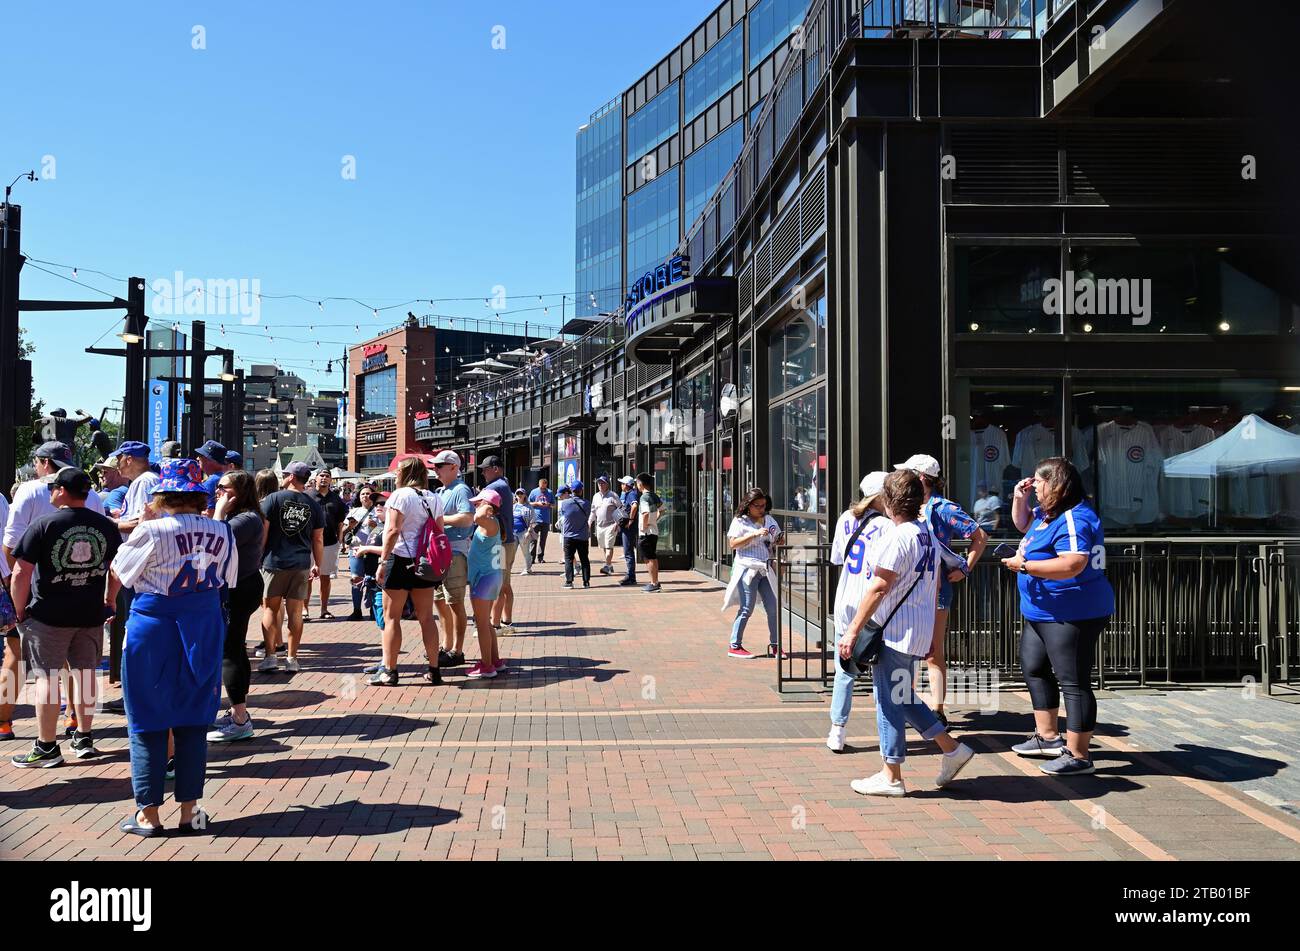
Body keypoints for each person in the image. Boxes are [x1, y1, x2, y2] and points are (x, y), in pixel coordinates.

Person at [109, 459, 238, 836]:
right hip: (203, 619)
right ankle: (190, 811)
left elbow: (121, 572)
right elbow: (226, 578)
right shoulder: (221, 530)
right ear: (198, 495)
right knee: (195, 718)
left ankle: (148, 814)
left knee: (148, 716)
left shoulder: (151, 530)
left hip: (155, 622)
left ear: (162, 495)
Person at [839, 469, 975, 796]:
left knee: (888, 700)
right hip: (913, 629)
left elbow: (878, 588)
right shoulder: (925, 532)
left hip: (893, 632)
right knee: (901, 695)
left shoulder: (901, 537)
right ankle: (952, 749)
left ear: (889, 500)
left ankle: (892, 775)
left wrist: (852, 630)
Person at [1000, 457, 1115, 776]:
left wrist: (1024, 566)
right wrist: (1018, 499)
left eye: (1037, 482)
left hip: (1073, 612)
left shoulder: (1075, 519)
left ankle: (1078, 755)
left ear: (1056, 485)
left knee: (1073, 680)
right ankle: (1047, 737)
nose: (1032, 486)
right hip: (1042, 611)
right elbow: (1023, 525)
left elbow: (1072, 564)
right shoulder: (1046, 515)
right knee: (1035, 666)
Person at [8, 468, 120, 767]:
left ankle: (46, 746)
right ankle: (83, 736)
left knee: (47, 678)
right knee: (84, 675)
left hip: (48, 614)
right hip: (90, 612)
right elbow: (116, 567)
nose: (50, 492)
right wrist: (110, 599)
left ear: (60, 490)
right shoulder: (104, 524)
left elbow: (21, 572)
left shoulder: (43, 524)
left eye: (52, 488)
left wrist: (19, 608)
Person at [894, 453, 988, 728]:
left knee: (932, 651)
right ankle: (906, 704)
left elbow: (979, 536)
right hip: (907, 589)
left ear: (922, 478)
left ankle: (937, 709)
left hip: (935, 590)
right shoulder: (904, 507)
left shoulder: (943, 508)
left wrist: (965, 568)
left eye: (909, 473)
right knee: (905, 649)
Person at [826, 472, 891, 752]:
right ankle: (886, 731)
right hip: (872, 605)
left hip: (846, 600)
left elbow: (837, 558)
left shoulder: (845, 518)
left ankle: (836, 730)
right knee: (881, 673)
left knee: (845, 670)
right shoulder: (889, 526)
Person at [371, 456, 445, 686]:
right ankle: (434, 669)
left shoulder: (400, 495)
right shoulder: (434, 497)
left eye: (398, 471)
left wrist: (382, 562)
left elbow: (392, 530)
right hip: (424, 561)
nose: (395, 475)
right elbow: (439, 531)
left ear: (406, 473)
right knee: (426, 617)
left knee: (392, 617)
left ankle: (390, 670)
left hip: (400, 557)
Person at [209, 470, 267, 742]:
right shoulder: (244, 517)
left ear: (240, 492)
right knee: (234, 648)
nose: (218, 491)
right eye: (218, 487)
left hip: (240, 588)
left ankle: (240, 718)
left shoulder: (247, 519)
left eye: (224, 488)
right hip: (237, 587)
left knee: (229, 650)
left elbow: (215, 541)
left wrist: (219, 511)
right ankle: (238, 712)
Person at [257, 462, 324, 674]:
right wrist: (317, 564)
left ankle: (270, 657)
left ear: (293, 477)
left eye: (286, 474)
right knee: (295, 612)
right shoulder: (313, 504)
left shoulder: (273, 499)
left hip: (273, 562)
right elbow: (318, 538)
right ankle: (292, 658)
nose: (284, 477)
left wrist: (258, 556)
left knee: (270, 608)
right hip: (301, 563)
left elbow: (263, 532)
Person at [721, 488, 784, 659]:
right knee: (747, 608)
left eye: (764, 505)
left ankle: (776, 645)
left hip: (765, 568)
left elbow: (778, 540)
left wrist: (778, 541)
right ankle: (734, 645)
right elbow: (733, 544)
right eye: (757, 506)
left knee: (773, 607)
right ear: (748, 505)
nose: (761, 509)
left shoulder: (769, 520)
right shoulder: (740, 521)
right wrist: (754, 534)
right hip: (747, 569)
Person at [432, 451, 474, 669]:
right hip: (440, 552)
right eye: (435, 465)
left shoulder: (461, 489)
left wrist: (439, 520)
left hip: (455, 552)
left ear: (454, 467)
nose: (436, 469)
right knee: (440, 601)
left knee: (454, 602)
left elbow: (468, 518)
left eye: (440, 465)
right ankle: (447, 645)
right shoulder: (442, 490)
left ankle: (457, 650)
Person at [465, 488, 505, 679]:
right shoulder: (493, 523)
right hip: (489, 577)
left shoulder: (489, 522)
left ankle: (487, 666)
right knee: (486, 623)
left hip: (485, 579)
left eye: (478, 502)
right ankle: (494, 660)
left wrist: (487, 506)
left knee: (481, 624)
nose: (475, 505)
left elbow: (477, 517)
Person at [479, 456, 516, 637]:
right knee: (504, 584)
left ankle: (495, 626)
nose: (482, 472)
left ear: (495, 468)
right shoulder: (504, 483)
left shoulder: (495, 487)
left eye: (485, 469)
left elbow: (479, 511)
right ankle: (506, 621)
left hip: (500, 543)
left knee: (498, 586)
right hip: (506, 541)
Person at [304, 469, 348, 621]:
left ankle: (324, 609)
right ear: (315, 478)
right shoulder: (307, 496)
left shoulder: (336, 499)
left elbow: (341, 523)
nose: (324, 478)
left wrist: (340, 541)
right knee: (307, 578)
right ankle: (305, 609)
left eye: (327, 476)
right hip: (308, 543)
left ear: (331, 480)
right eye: (321, 476)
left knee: (325, 577)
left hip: (329, 542)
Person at [343, 486, 381, 620]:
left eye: (368, 494)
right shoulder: (353, 511)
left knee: (372, 580)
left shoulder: (379, 511)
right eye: (363, 494)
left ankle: (373, 610)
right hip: (356, 550)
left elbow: (386, 529)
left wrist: (376, 526)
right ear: (359, 497)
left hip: (373, 551)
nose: (365, 496)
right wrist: (350, 526)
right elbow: (343, 531)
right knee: (356, 580)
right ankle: (357, 610)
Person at [557, 480, 592, 589]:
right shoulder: (586, 503)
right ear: (581, 490)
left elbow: (564, 514)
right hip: (582, 536)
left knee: (568, 558)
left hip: (569, 536)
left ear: (572, 490)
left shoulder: (565, 503)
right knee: (584, 559)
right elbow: (587, 515)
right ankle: (586, 582)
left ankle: (569, 581)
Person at [588, 475, 622, 576]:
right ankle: (609, 565)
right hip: (599, 526)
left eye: (603, 483)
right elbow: (593, 511)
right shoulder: (596, 496)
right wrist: (589, 522)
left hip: (611, 525)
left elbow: (620, 509)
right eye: (599, 483)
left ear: (607, 484)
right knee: (604, 546)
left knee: (609, 546)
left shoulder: (613, 495)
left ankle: (607, 565)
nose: (600, 485)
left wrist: (617, 522)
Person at [636, 473, 662, 593]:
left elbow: (645, 513)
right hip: (654, 530)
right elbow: (662, 510)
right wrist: (654, 520)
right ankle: (655, 582)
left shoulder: (644, 497)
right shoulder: (654, 496)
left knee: (648, 558)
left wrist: (644, 525)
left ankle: (653, 583)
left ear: (640, 484)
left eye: (637, 483)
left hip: (646, 532)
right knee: (653, 557)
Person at [194, 440, 229, 515]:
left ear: (209, 460)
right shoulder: (225, 477)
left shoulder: (212, 481)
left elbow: (209, 513)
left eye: (200, 456)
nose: (197, 458)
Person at [616, 475, 639, 587]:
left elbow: (634, 506)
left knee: (628, 552)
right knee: (628, 551)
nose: (621, 485)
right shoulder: (627, 494)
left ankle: (631, 577)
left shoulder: (631, 494)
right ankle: (630, 575)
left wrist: (630, 519)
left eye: (622, 484)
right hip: (626, 527)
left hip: (629, 528)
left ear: (626, 485)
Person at [527, 477, 556, 563]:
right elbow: (528, 503)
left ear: (546, 485)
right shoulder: (534, 492)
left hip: (545, 520)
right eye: (541, 488)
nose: (542, 489)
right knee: (533, 540)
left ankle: (540, 558)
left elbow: (554, 505)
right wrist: (537, 503)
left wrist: (549, 504)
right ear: (539, 485)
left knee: (543, 540)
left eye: (544, 488)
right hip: (535, 519)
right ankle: (531, 558)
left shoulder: (550, 492)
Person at [512, 488, 537, 576]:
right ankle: (508, 569)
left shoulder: (529, 507)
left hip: (524, 532)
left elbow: (533, 520)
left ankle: (528, 569)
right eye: (518, 493)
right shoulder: (513, 506)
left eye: (521, 493)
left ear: (524, 495)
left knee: (526, 552)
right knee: (511, 552)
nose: (519, 495)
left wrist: (529, 531)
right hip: (513, 533)